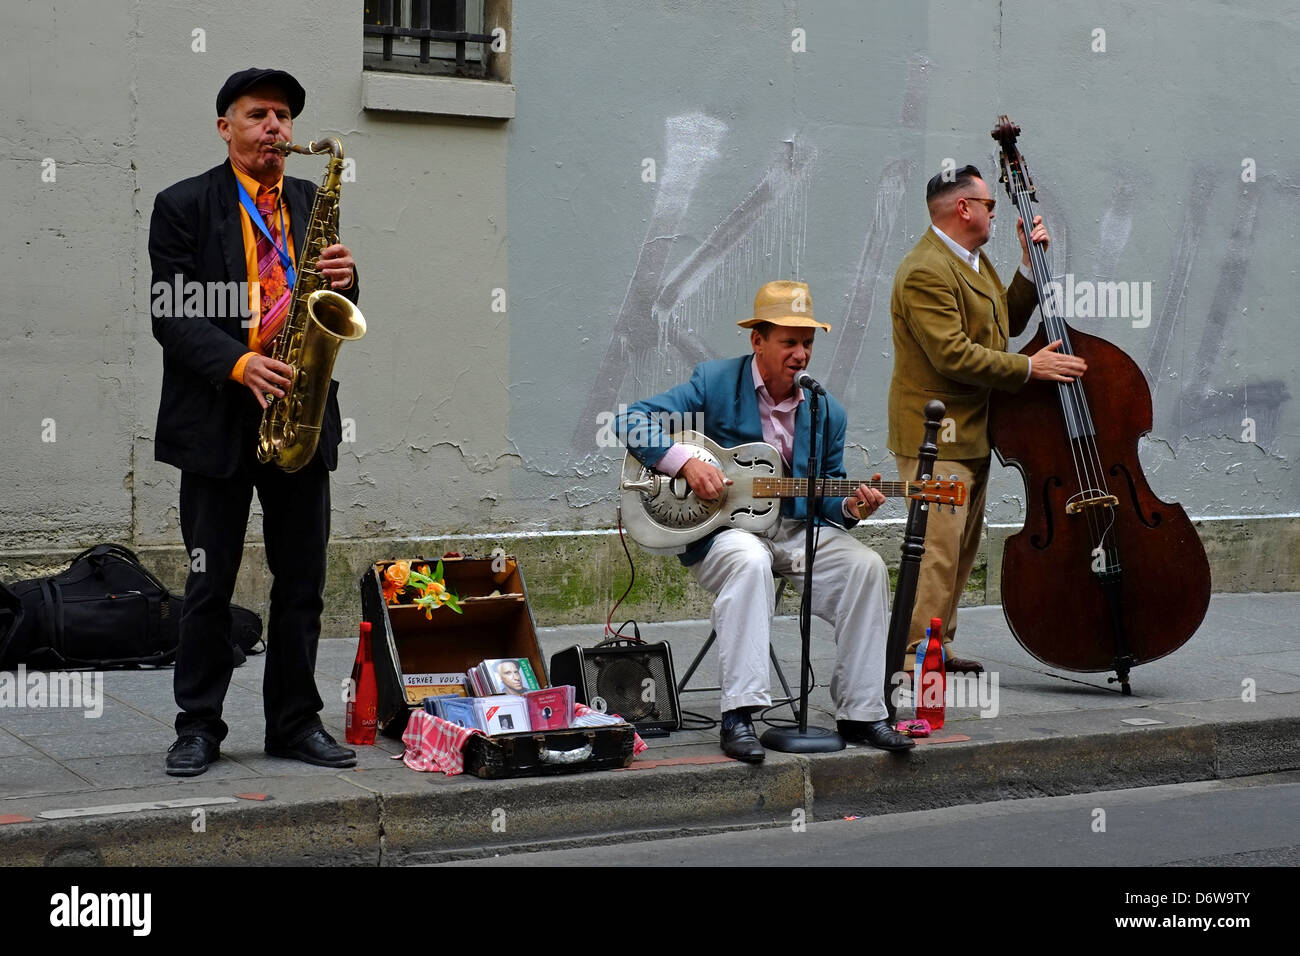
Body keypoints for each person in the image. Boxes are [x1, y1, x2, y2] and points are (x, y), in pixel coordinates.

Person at [149, 68, 361, 776]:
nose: (275, 127)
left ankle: (295, 723)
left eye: (284, 117)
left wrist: (346, 279)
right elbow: (172, 313)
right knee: (210, 583)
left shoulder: (308, 201)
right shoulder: (181, 205)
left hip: (300, 417)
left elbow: (329, 304)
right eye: (259, 115)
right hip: (218, 420)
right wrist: (241, 365)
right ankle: (198, 727)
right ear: (226, 128)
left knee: (301, 581)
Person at [620, 281, 915, 762]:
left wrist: (851, 508)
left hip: (796, 530)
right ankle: (738, 716)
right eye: (789, 342)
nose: (801, 354)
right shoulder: (714, 383)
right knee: (751, 560)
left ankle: (862, 713)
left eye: (808, 343)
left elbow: (824, 495)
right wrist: (685, 464)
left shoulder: (825, 411)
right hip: (725, 535)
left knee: (867, 568)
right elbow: (633, 420)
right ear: (757, 340)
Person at [887, 165, 1086, 673]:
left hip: (973, 430)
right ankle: (914, 652)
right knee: (935, 548)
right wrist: (1030, 367)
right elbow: (952, 354)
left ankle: (938, 643)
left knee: (958, 549)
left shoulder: (973, 263)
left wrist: (1025, 267)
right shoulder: (926, 270)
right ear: (964, 208)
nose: (995, 212)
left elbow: (1003, 323)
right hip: (937, 437)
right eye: (989, 205)